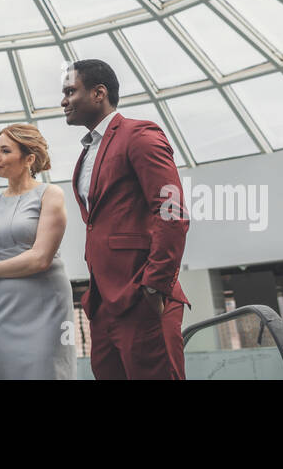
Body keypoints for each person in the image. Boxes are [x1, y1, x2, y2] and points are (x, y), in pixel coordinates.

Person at [63, 58, 191, 380]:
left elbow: (171, 210)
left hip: (141, 296)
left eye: (70, 91)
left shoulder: (139, 134)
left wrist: (154, 286)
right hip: (104, 304)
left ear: (98, 93)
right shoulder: (87, 151)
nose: (63, 101)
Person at [0, 124, 75, 380]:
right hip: (3, 307)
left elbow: (41, 258)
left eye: (5, 150)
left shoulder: (51, 194)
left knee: (49, 372)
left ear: (29, 158)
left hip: (48, 305)